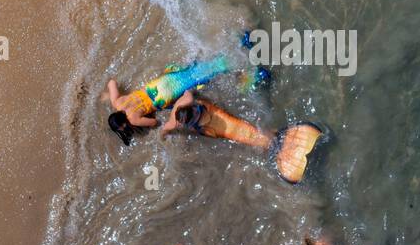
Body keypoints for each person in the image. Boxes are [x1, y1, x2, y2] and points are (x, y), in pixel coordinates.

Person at [160, 91, 324, 184]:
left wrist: (166, 131)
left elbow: (168, 128)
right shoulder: (202, 105)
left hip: (240, 136)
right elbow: (188, 94)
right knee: (265, 134)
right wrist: (179, 105)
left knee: (260, 142)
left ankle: (284, 151)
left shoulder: (203, 129)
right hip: (242, 126)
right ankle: (288, 142)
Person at [104, 55, 234, 145]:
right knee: (187, 73)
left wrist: (145, 116)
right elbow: (111, 82)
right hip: (155, 85)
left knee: (192, 82)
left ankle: (227, 65)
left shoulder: (133, 119)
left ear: (123, 125)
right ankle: (217, 59)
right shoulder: (117, 102)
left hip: (161, 98)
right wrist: (107, 96)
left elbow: (154, 122)